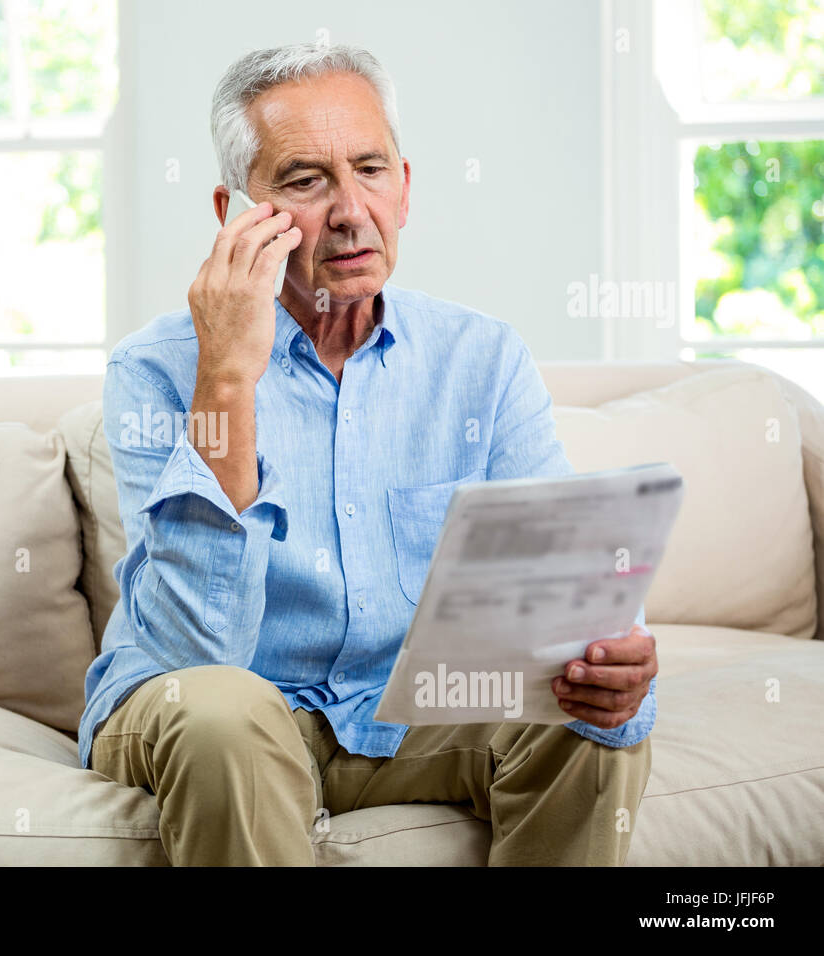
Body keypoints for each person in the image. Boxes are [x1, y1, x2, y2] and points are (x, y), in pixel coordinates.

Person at [78, 41, 656, 866]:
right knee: (223, 714)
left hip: (404, 707)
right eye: (305, 180)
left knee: (587, 713)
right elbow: (192, 651)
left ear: (406, 188)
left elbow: (556, 597)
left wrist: (607, 658)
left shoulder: (482, 358)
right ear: (234, 213)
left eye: (371, 170)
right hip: (208, 708)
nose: (351, 210)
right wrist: (230, 376)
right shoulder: (159, 369)